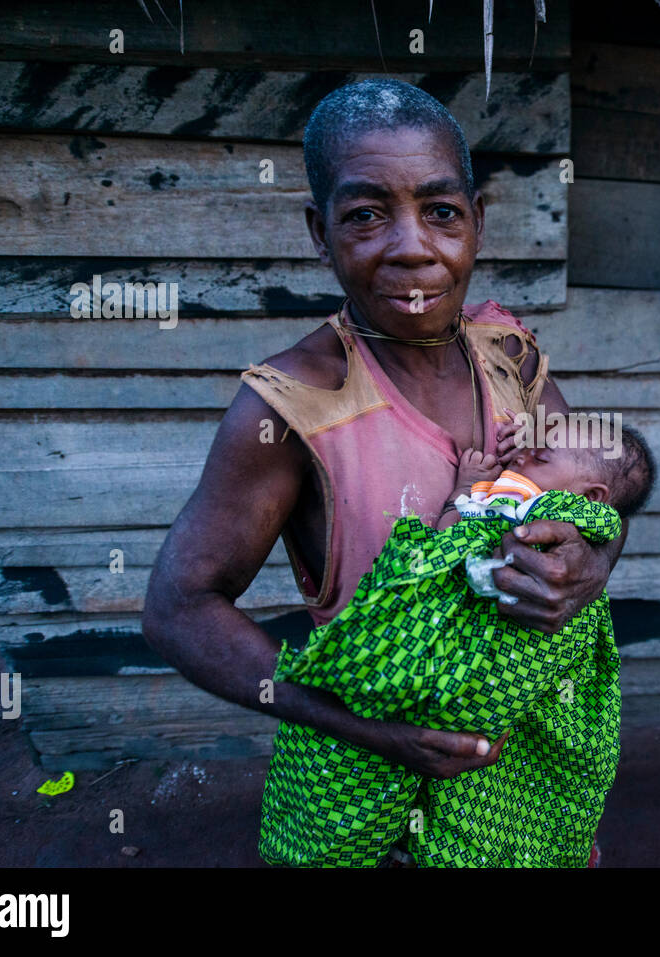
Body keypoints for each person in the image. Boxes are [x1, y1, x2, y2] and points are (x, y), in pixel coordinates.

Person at [141, 78, 630, 837]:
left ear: (476, 222)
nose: (412, 247)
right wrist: (368, 730)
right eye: (367, 214)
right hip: (385, 793)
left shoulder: (510, 355)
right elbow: (178, 609)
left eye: (441, 211)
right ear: (319, 230)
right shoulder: (295, 404)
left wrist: (592, 566)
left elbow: (600, 498)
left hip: (527, 772)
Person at [259, 427, 657, 867]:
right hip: (426, 663)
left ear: (592, 496)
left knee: (488, 788)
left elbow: (598, 524)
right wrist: (467, 491)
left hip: (502, 672)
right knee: (400, 766)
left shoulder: (543, 517)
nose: (520, 455)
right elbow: (449, 549)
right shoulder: (506, 497)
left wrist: (594, 552)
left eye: (539, 457)